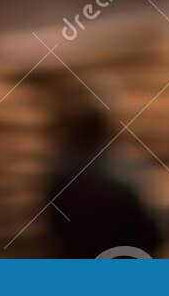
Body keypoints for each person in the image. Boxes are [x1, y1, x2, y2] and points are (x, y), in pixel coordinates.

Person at [45, 97, 163, 259]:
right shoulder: (122, 174)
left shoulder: (59, 173)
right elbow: (151, 235)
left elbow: (54, 227)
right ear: (105, 126)